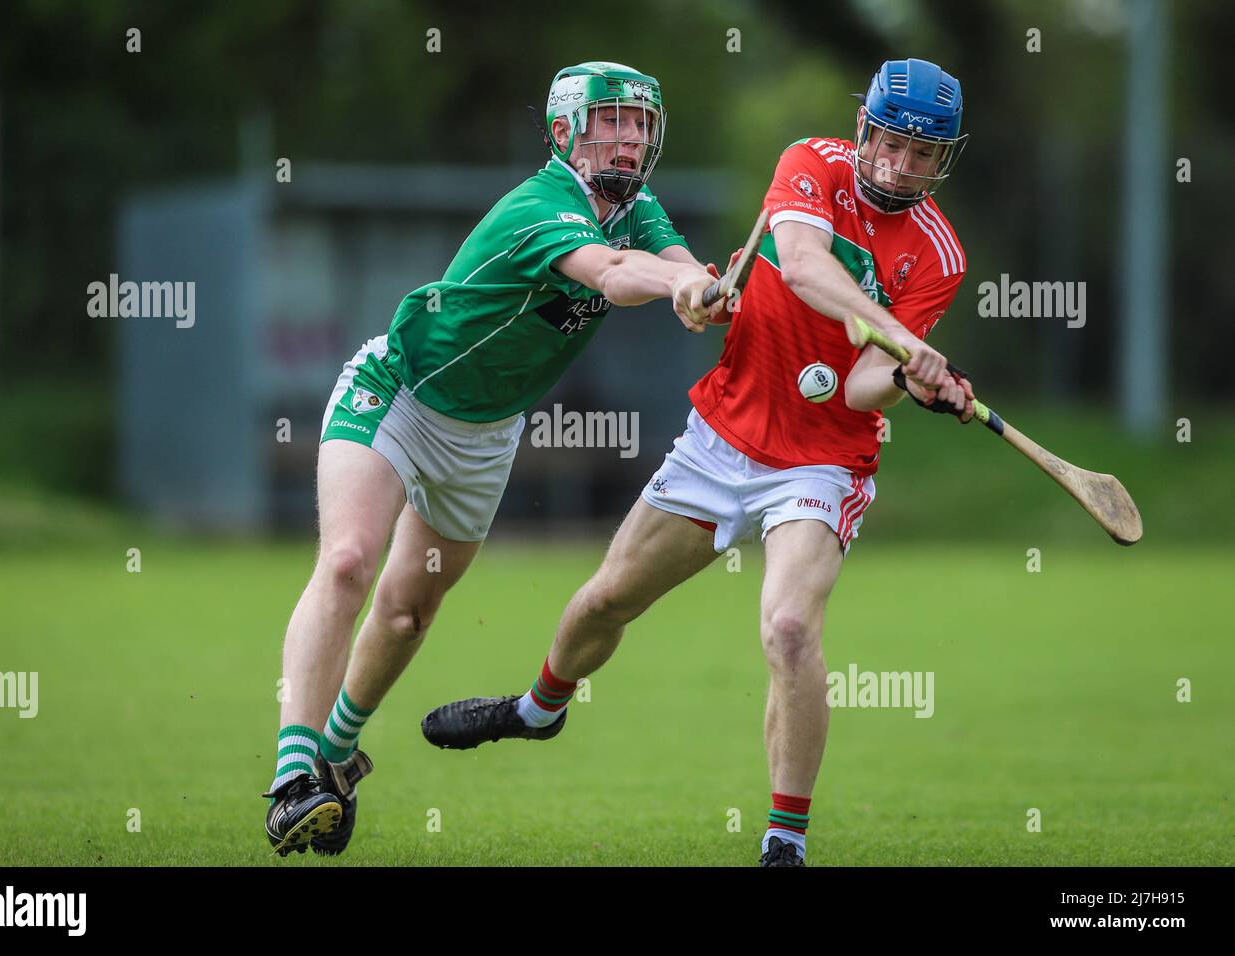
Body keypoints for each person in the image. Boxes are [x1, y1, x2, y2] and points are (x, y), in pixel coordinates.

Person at [421, 57, 976, 867]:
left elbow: (860, 388)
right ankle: (539, 709)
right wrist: (904, 338)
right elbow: (806, 265)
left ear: (943, 158)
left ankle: (785, 839)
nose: (901, 166)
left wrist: (910, 377)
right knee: (607, 600)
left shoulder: (937, 254)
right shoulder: (810, 165)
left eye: (924, 154)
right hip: (724, 432)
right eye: (891, 143)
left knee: (789, 629)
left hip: (822, 462)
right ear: (864, 128)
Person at [262, 61, 727, 856]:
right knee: (346, 563)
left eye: (641, 123)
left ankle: (339, 756)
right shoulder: (541, 207)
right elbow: (614, 275)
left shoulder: (637, 207)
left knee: (409, 611)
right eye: (611, 120)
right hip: (398, 393)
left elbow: (671, 259)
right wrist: (678, 288)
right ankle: (292, 778)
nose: (631, 137)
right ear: (564, 134)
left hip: (487, 436)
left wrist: (704, 285)